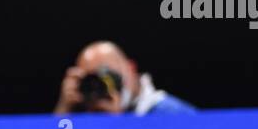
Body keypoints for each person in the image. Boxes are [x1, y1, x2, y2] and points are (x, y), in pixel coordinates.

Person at [53, 40, 196, 116]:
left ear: (131, 69)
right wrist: (64, 110)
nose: (100, 85)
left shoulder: (171, 114)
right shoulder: (79, 120)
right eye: (91, 79)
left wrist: (116, 122)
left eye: (107, 75)